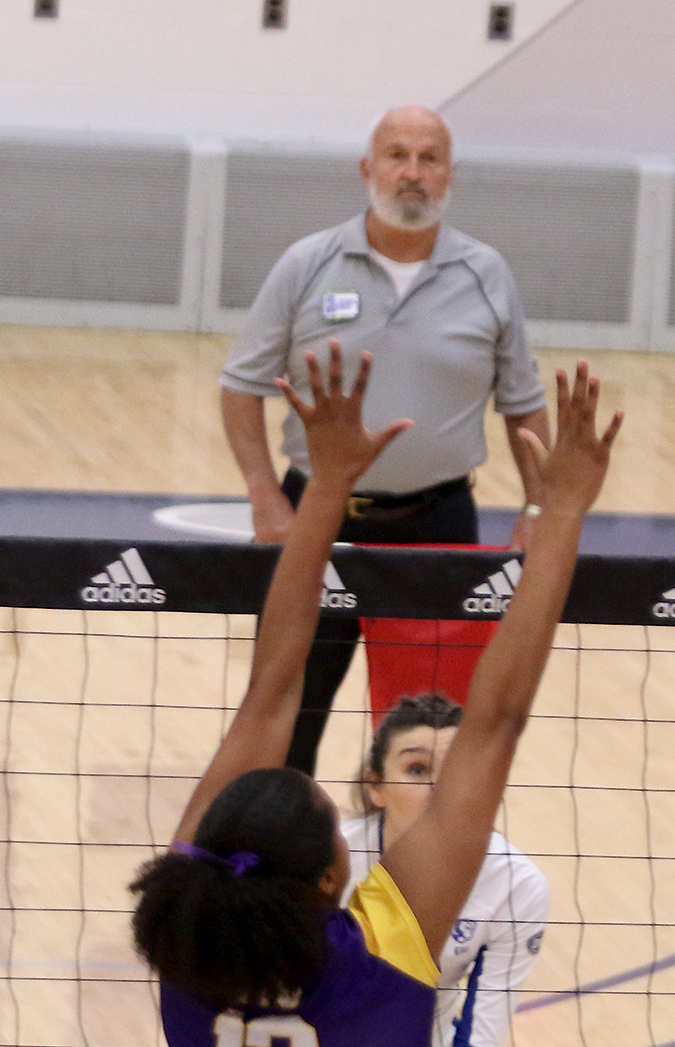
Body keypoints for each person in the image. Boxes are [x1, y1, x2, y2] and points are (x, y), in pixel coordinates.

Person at [132, 343, 620, 1044]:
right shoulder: (382, 949)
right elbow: (494, 722)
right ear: (333, 879)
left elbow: (272, 696)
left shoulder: (187, 947)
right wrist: (562, 508)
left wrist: (325, 483)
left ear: (202, 844)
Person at [219, 104, 551, 775]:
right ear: (367, 169)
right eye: (397, 155)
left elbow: (523, 407)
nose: (412, 173)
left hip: (440, 528)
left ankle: (410, 874)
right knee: (285, 714)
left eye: (429, 159)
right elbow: (239, 385)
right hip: (316, 521)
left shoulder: (487, 274)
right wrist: (264, 496)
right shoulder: (307, 264)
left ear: (449, 176)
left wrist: (538, 510)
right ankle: (281, 867)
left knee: (426, 738)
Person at [344, 695, 551, 1047]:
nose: (440, 790)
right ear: (376, 786)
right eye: (417, 770)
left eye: (455, 770)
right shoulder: (327, 856)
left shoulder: (516, 885)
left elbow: (481, 1033)